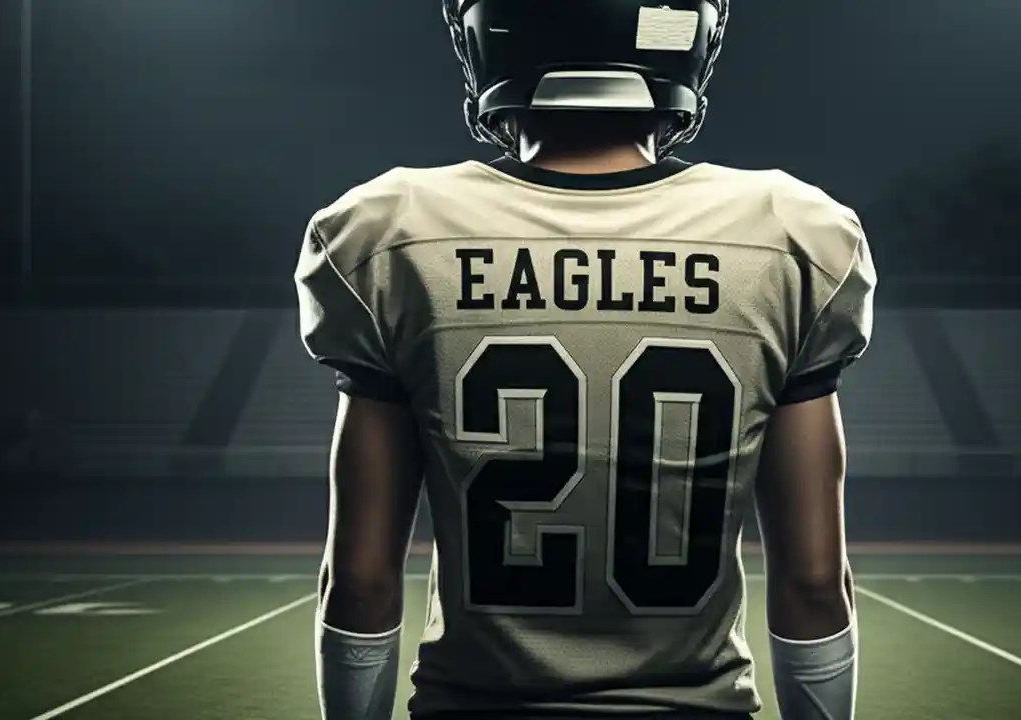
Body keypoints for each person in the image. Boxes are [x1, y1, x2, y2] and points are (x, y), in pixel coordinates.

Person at [295, 2, 875, 719]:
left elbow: (359, 579)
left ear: (494, 36)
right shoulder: (788, 234)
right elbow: (816, 582)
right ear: (682, 40)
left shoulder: (393, 232)